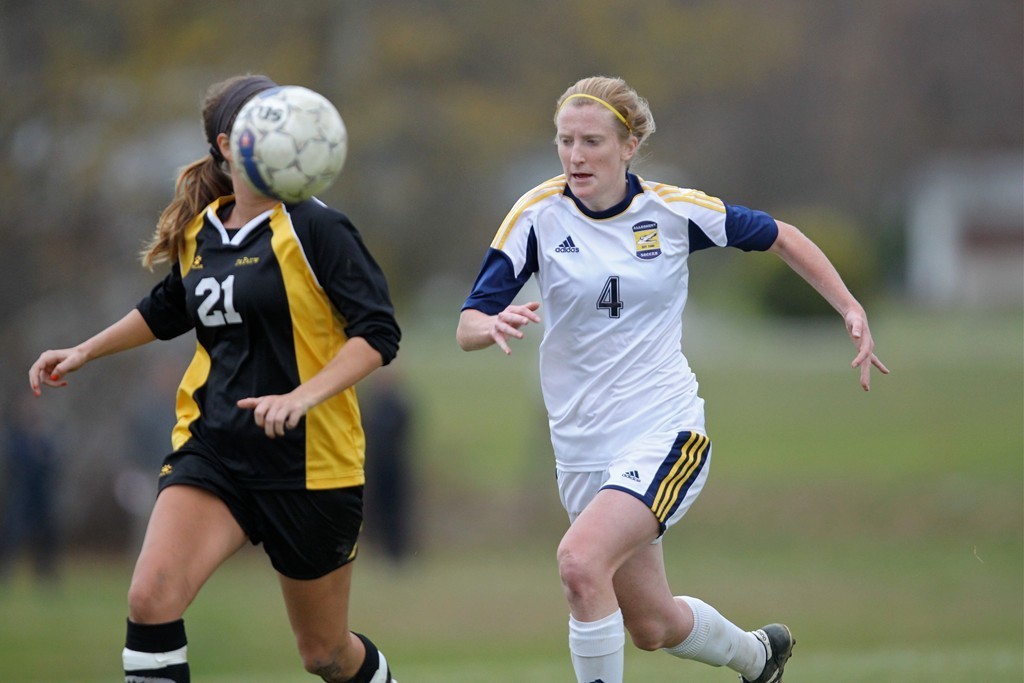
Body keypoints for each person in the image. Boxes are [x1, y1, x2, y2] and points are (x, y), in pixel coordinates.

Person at [456, 75, 888, 683]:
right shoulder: (536, 216)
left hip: (663, 429)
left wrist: (849, 306)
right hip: (581, 449)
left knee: (580, 563)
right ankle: (757, 658)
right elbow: (469, 322)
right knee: (653, 625)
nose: (575, 156)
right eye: (565, 141)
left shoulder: (673, 211)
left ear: (628, 145)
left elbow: (781, 236)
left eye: (592, 142)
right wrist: (491, 323)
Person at [29, 74, 401, 683]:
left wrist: (302, 398)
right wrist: (84, 350)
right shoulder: (202, 232)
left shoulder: (317, 229)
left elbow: (378, 335)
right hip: (215, 449)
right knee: (150, 598)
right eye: (267, 121)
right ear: (229, 146)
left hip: (311, 464)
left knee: (326, 654)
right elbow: (167, 308)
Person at [0, 395, 60, 583]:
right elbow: (14, 461)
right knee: (13, 532)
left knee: (46, 533)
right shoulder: (15, 434)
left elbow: (53, 460)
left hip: (41, 491)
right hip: (21, 490)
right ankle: (5, 570)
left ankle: (44, 572)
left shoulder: (46, 435)